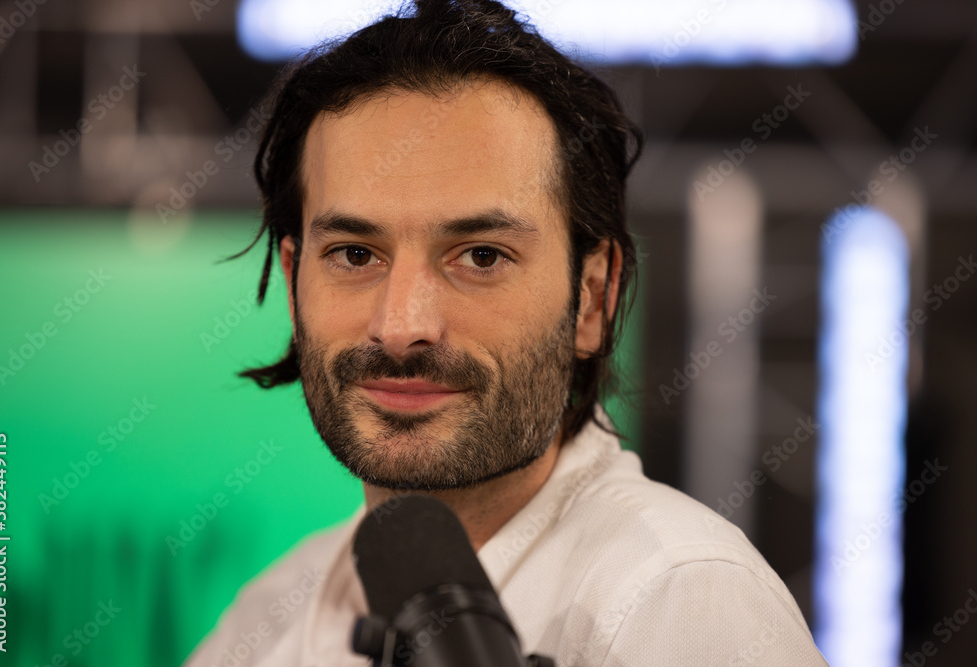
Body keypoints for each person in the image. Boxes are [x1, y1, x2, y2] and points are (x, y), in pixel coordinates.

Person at [186, 0, 828, 664]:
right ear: (294, 284)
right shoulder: (265, 618)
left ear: (592, 298)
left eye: (481, 256)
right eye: (355, 254)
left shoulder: (681, 598)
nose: (403, 326)